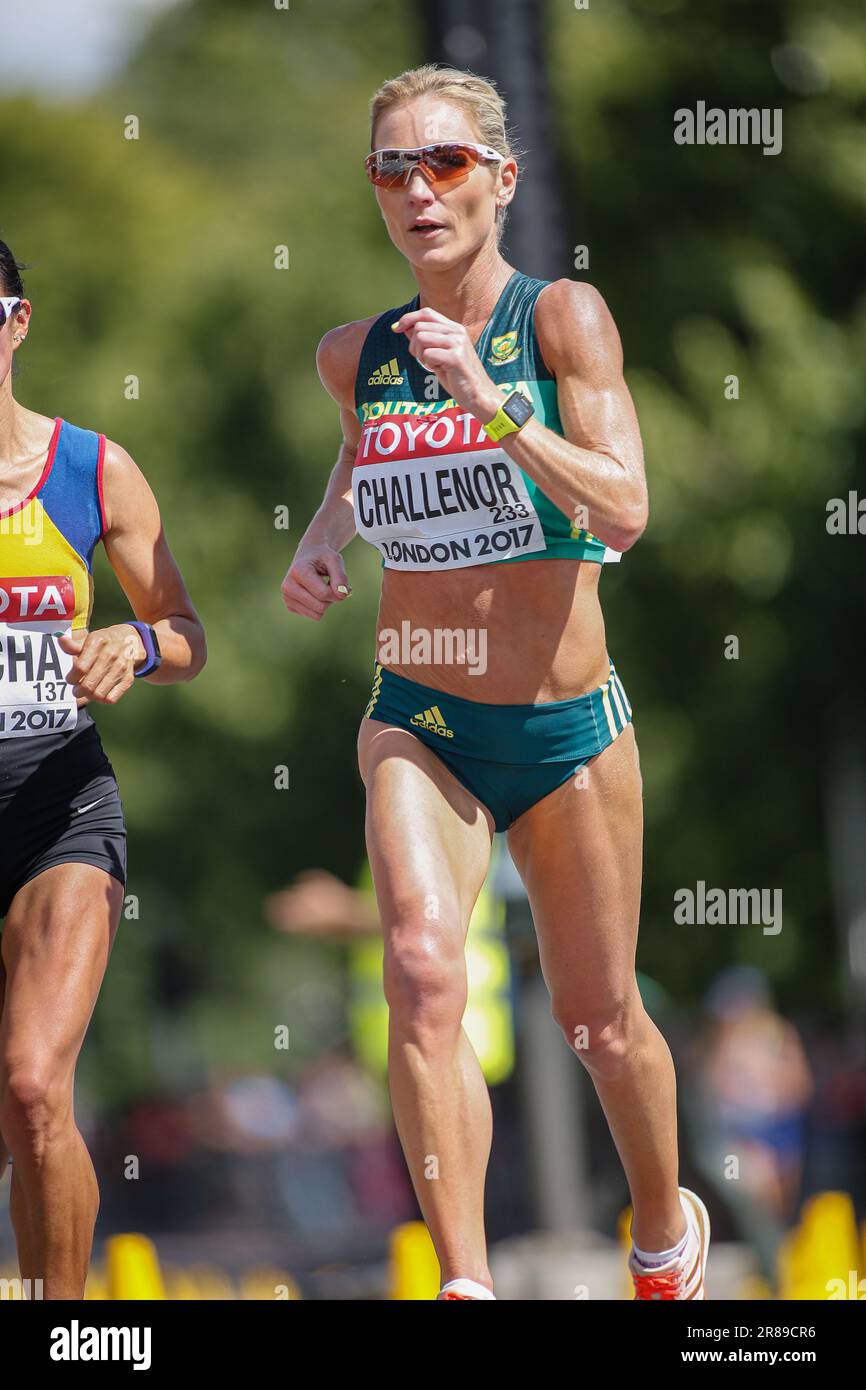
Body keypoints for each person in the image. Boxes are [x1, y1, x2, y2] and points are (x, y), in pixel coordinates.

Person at [281, 64, 710, 1300]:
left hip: (564, 728)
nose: (417, 188)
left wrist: (496, 408)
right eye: (391, 167)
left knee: (599, 1021)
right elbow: (366, 463)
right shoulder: (351, 355)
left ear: (501, 180)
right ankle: (463, 1282)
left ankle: (656, 1229)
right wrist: (324, 537)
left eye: (445, 163)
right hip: (418, 717)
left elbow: (625, 507)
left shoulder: (561, 320)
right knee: (419, 968)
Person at [0, 238, 206, 1298]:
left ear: (18, 323)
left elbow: (186, 629)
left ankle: (63, 1323)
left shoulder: (89, 467)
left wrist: (137, 641)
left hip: (58, 802)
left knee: (35, 1084)